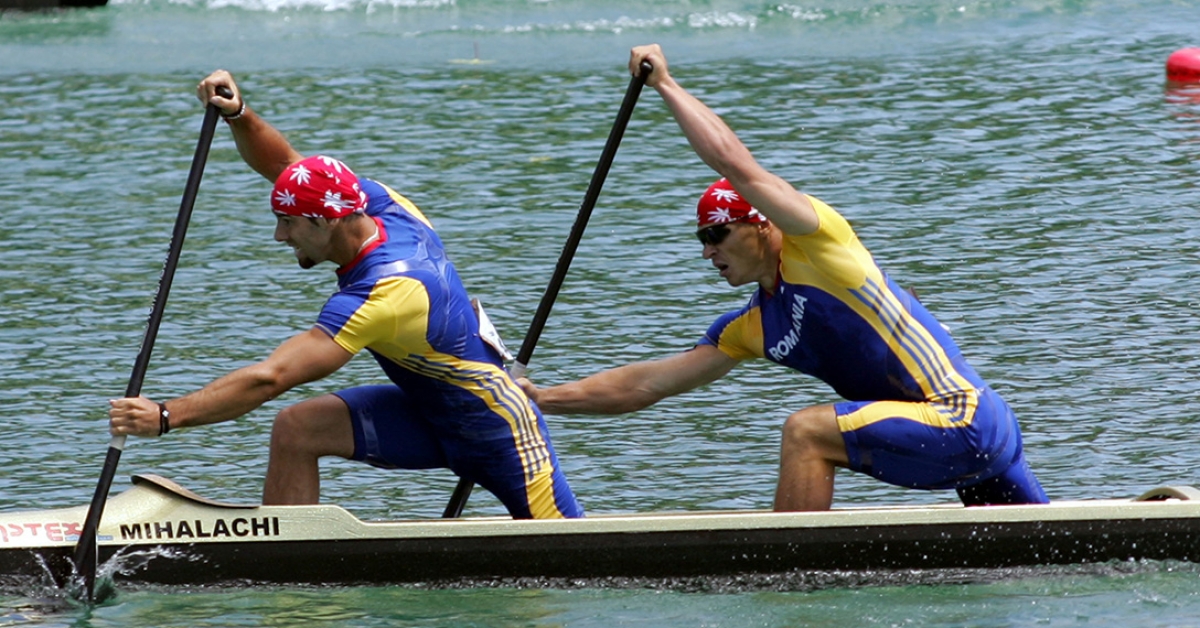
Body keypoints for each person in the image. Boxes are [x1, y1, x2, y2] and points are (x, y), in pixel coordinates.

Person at [519, 45, 1048, 512]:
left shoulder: (820, 245)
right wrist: (540, 398)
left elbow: (737, 165)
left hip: (964, 420)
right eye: (700, 241)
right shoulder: (752, 326)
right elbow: (646, 385)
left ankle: (791, 584)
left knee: (806, 432)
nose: (708, 252)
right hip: (969, 446)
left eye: (717, 235)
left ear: (761, 224)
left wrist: (665, 85)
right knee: (1055, 551)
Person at [107, 70, 583, 519]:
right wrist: (238, 114)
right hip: (424, 414)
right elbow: (289, 168)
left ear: (325, 221)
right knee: (298, 429)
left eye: (287, 223)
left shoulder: (383, 293)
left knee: (575, 556)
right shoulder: (380, 204)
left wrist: (166, 416)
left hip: (497, 429)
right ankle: (287, 565)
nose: (279, 236)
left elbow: (270, 378)